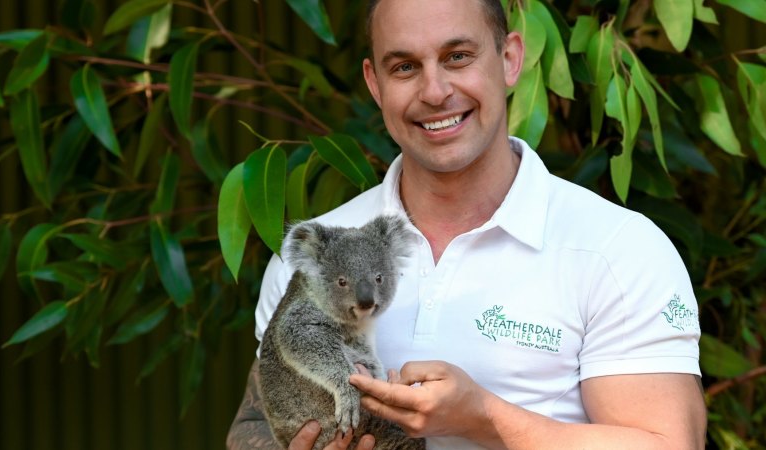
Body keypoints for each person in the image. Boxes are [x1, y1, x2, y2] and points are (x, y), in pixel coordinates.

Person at [227, 0, 707, 448]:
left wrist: (485, 417)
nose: (435, 92)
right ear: (375, 84)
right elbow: (256, 423)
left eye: (457, 57)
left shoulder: (616, 250)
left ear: (510, 59)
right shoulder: (316, 256)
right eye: (405, 67)